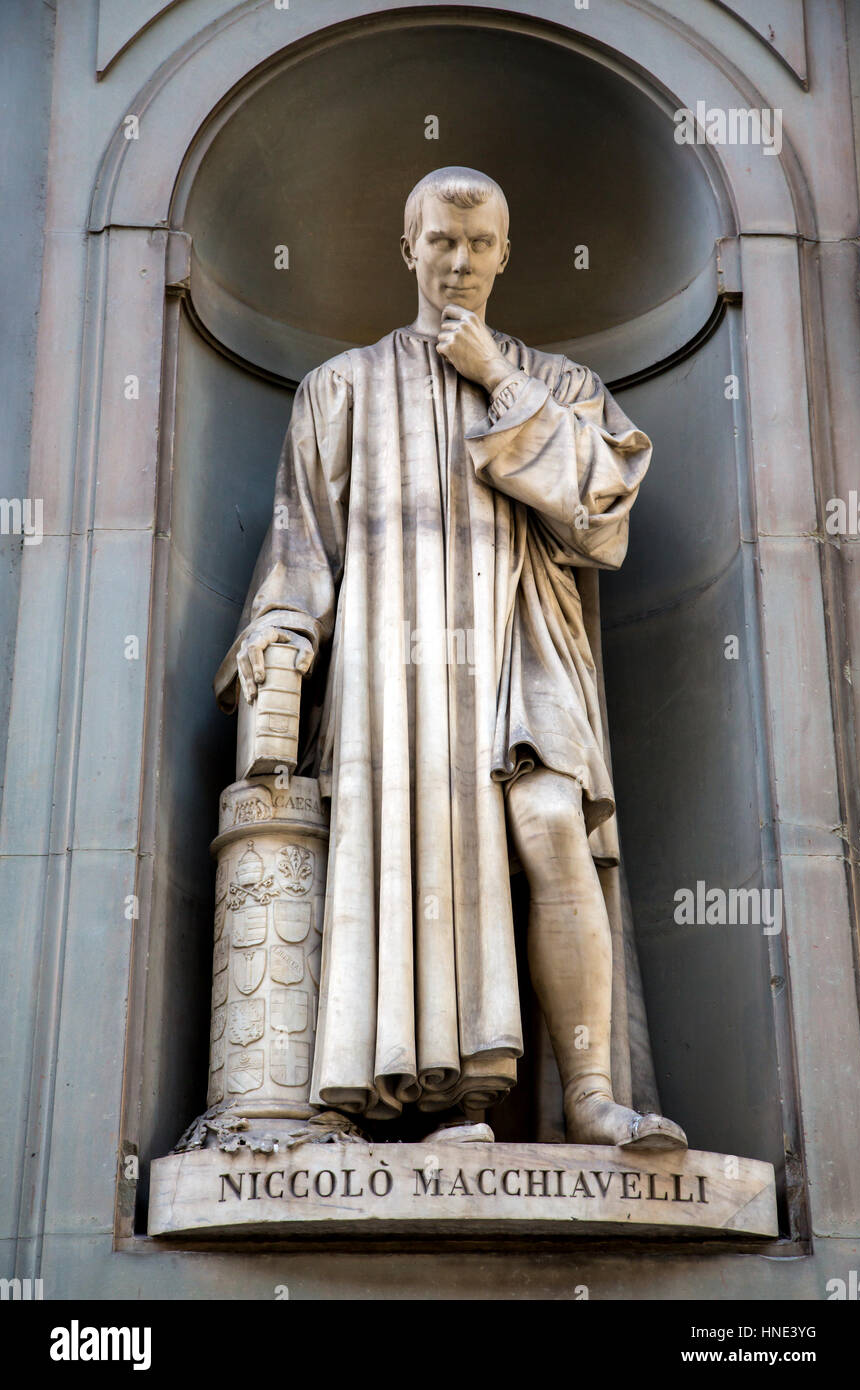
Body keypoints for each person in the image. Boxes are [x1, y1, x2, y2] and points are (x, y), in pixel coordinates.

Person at [215, 167, 686, 1150]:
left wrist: (496, 380)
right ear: (409, 248)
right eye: (441, 242)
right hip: (394, 678)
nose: (459, 263)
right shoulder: (337, 390)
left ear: (505, 255)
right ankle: (443, 1105)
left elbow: (601, 514)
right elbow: (301, 555)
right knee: (408, 851)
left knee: (555, 823)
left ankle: (591, 1094)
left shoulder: (557, 386)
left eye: (479, 246)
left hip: (523, 652)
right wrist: (280, 640)